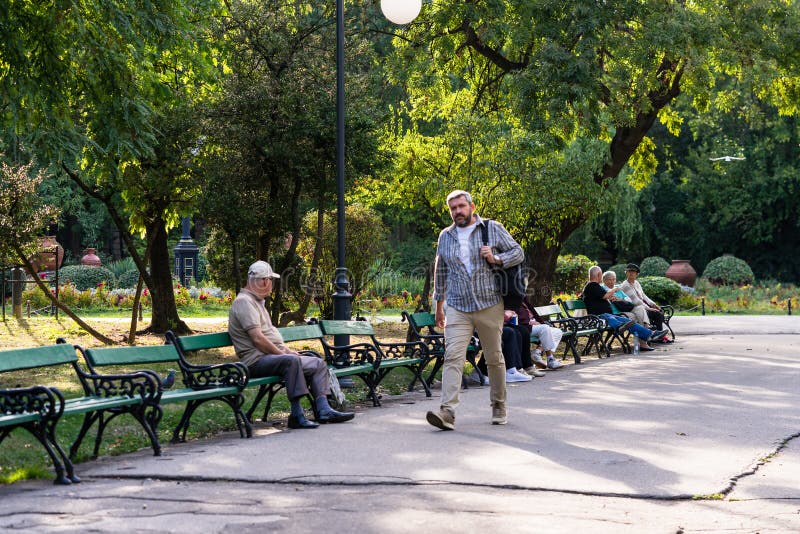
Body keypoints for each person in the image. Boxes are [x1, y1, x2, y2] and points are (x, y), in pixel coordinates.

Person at [426, 190, 524, 430]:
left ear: (472, 206)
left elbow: (518, 252)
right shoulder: (446, 236)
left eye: (461, 206)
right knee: (453, 356)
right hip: (458, 306)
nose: (457, 211)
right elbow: (441, 272)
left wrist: (497, 258)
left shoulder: (491, 228)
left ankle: (499, 405)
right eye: (453, 208)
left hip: (489, 303)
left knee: (494, 358)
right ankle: (447, 411)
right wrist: (439, 306)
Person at [228, 260, 355, 429]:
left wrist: (288, 351)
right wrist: (284, 355)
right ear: (265, 281)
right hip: (255, 361)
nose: (272, 284)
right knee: (291, 361)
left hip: (271, 357)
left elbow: (269, 337)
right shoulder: (244, 302)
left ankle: (324, 409)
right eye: (271, 280)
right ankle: (296, 415)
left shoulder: (256, 301)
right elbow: (257, 339)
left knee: (317, 363)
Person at [581, 266, 669, 350]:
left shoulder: (594, 286)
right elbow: (606, 295)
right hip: (600, 316)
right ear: (599, 275)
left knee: (629, 322)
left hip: (607, 315)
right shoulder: (592, 285)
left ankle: (651, 334)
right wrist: (615, 290)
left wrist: (615, 297)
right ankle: (620, 326)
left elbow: (605, 296)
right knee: (621, 321)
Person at [619, 263, 669, 338]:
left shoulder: (636, 283)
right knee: (657, 314)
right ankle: (655, 336)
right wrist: (649, 308)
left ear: (637, 274)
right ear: (626, 273)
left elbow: (644, 296)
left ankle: (658, 336)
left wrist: (653, 304)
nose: (631, 273)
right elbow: (636, 302)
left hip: (642, 306)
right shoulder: (626, 285)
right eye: (629, 271)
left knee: (659, 312)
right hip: (634, 308)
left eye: (633, 272)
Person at [517, 298, 565, 370]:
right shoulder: (512, 301)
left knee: (557, 332)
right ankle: (550, 359)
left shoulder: (523, 298)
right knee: (545, 328)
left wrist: (541, 323)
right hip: (524, 327)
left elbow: (534, 313)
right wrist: (530, 323)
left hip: (534, 325)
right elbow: (516, 318)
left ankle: (537, 352)